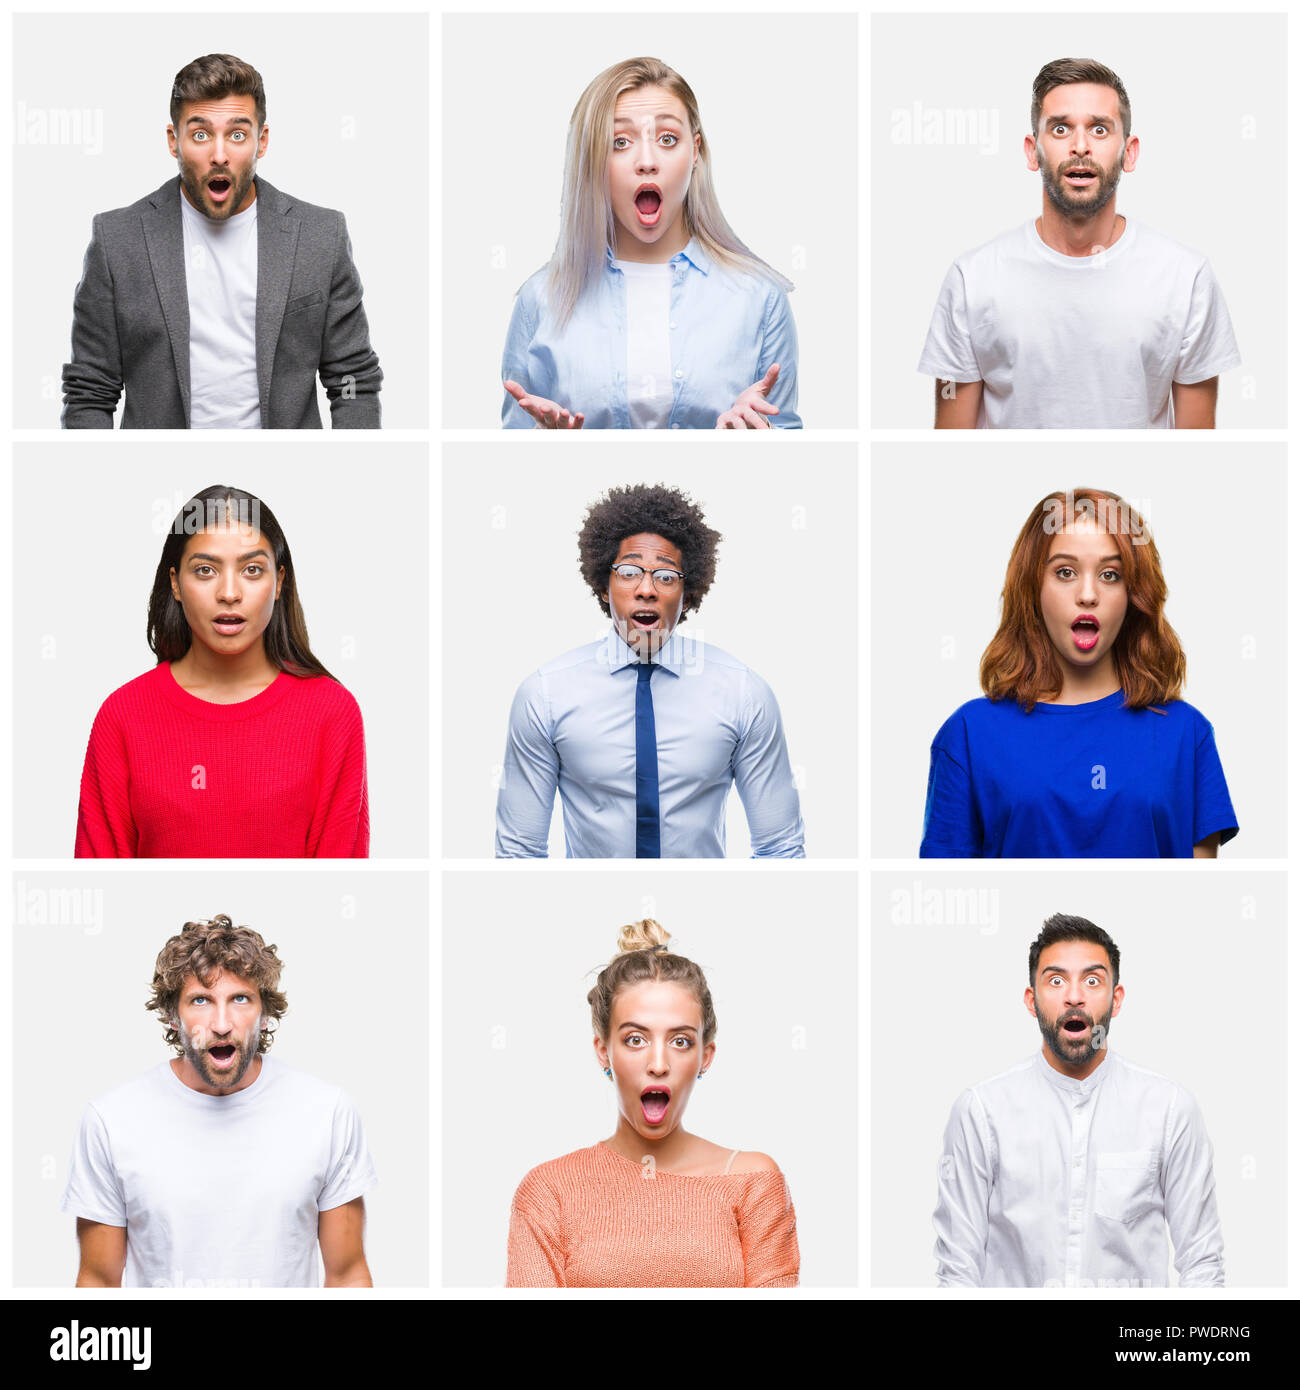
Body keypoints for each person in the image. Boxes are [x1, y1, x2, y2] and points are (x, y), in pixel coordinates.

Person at [61, 53, 382, 428]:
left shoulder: (320, 236)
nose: (219, 155)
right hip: (161, 478)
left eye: (237, 134)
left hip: (288, 477)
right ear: (173, 141)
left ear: (261, 141)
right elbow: (90, 391)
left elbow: (353, 382)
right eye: (200, 134)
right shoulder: (118, 240)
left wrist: (348, 475)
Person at [918, 57, 1239, 428]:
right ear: (1031, 150)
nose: (1081, 146)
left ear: (1129, 152)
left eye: (1100, 130)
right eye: (1060, 129)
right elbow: (952, 453)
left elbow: (1196, 455)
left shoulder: (1186, 278)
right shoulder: (971, 278)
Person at [62, 915, 377, 1288]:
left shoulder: (327, 1113)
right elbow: (98, 1281)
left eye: (240, 998)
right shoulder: (111, 1120)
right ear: (172, 1014)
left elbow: (347, 1275)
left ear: (264, 1012)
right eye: (201, 1000)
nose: (222, 1023)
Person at [920, 489, 1237, 858]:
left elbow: (1199, 898)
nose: (1088, 594)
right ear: (1032, 587)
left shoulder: (1187, 732)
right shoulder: (968, 733)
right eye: (1065, 572)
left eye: (1110, 574)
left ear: (1133, 593)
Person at [494, 483, 804, 857]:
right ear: (604, 587)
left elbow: (780, 848)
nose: (646, 589)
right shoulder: (544, 694)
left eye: (666, 576)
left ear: (687, 595)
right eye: (628, 572)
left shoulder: (743, 692)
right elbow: (519, 852)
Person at [500, 56, 800, 430]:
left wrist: (755, 439)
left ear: (695, 152)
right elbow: (510, 459)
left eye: (667, 139)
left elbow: (790, 455)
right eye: (620, 142)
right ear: (593, 160)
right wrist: (552, 448)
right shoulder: (541, 298)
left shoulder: (760, 298)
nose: (646, 161)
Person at [75, 484, 369, 857]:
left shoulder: (332, 713)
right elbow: (102, 886)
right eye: (205, 570)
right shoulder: (123, 716)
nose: (229, 592)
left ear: (279, 582)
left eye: (251, 569)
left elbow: (338, 890)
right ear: (175, 584)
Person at [933, 914, 1225, 1288]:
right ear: (1031, 999)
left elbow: (1202, 1262)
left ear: (1115, 1000)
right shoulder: (981, 1111)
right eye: (1056, 981)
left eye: (1092, 980)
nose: (1074, 996)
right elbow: (957, 1271)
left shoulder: (1169, 1109)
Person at [506, 919, 799, 1287]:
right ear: (603, 1051)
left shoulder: (753, 1180)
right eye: (634, 1040)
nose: (658, 1065)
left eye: (680, 1042)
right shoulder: (549, 1191)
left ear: (705, 1056)